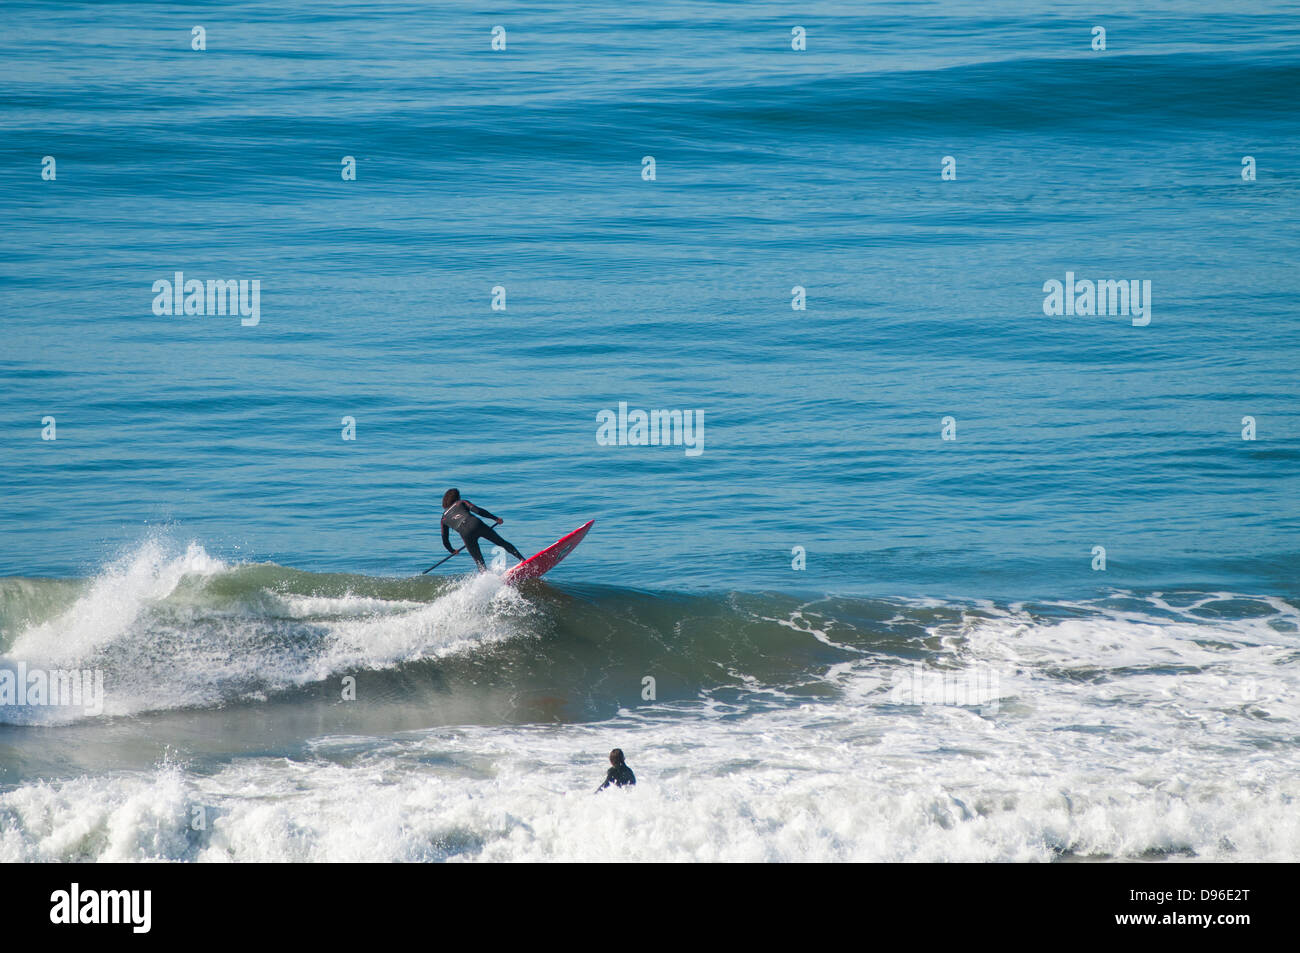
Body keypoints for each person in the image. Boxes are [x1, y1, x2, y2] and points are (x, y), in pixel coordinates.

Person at [440, 488, 525, 572]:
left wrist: (452, 550)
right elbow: (478, 511)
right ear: (457, 497)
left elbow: (445, 539)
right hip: (475, 524)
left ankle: (486, 579)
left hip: (465, 534)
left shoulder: (443, 519)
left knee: (479, 561)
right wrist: (495, 518)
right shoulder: (461, 502)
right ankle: (523, 560)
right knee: (501, 542)